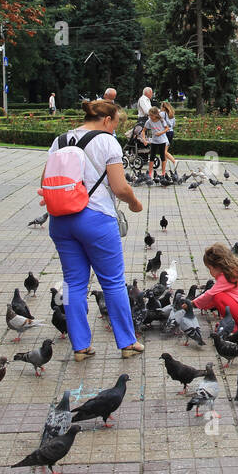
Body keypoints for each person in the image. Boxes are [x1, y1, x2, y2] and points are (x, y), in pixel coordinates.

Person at [40, 99, 143, 361]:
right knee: (112, 281)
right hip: (95, 219)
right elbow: (119, 187)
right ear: (107, 120)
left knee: (74, 283)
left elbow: (45, 182)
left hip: (60, 220)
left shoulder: (60, 141)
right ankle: (127, 343)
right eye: (115, 124)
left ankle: (81, 347)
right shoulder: (107, 141)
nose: (115, 130)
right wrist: (134, 203)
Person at [193, 243, 238, 332]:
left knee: (218, 296)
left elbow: (209, 294)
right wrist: (204, 305)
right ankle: (233, 323)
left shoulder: (225, 277)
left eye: (210, 268)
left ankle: (233, 326)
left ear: (218, 266)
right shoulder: (233, 272)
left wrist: (192, 304)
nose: (210, 272)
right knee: (220, 295)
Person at [145, 106, 170, 181]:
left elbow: (167, 128)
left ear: (156, 114)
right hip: (154, 141)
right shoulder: (149, 121)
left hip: (162, 140)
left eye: (151, 115)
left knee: (162, 157)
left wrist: (160, 133)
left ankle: (163, 173)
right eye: (149, 115)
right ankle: (150, 173)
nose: (150, 117)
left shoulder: (161, 120)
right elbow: (145, 130)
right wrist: (146, 139)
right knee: (152, 157)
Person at [159, 100, 179, 174]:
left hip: (165, 133)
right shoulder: (171, 114)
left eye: (161, 106)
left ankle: (174, 161)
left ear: (164, 107)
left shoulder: (162, 113)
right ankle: (163, 168)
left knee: (163, 151)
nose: (160, 108)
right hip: (171, 132)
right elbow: (174, 125)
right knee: (165, 152)